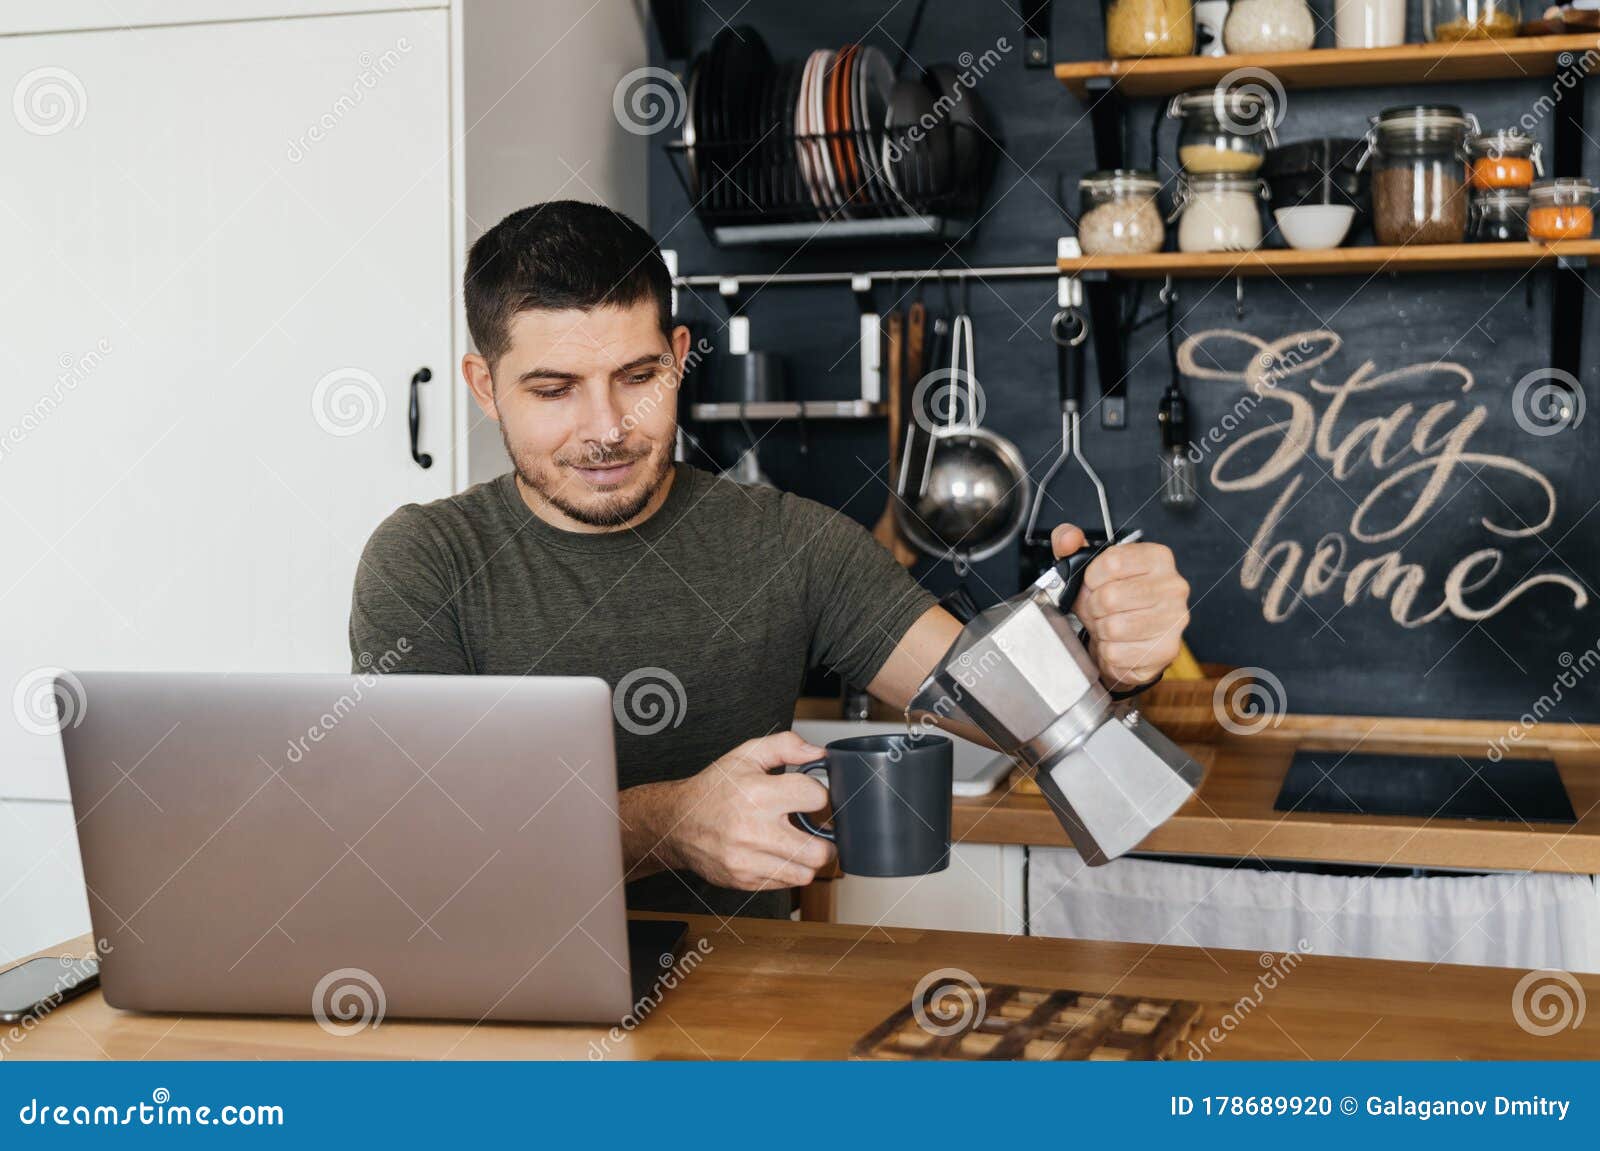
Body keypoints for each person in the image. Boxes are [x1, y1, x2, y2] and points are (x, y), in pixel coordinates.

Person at [349, 201, 1190, 920]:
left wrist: (1104, 654)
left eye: (638, 376)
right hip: (502, 1012)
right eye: (554, 389)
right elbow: (428, 853)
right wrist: (672, 821)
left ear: (680, 356)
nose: (605, 427)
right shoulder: (424, 560)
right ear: (484, 384)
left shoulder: (791, 543)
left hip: (749, 1013)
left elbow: (990, 702)